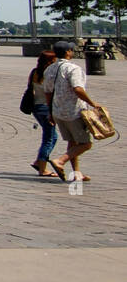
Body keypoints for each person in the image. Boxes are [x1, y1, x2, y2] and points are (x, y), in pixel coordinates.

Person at [44, 41, 100, 182]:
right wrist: (93, 103)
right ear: (68, 52)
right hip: (73, 112)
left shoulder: (50, 69)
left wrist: (50, 111)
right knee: (86, 143)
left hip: (58, 111)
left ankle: (77, 173)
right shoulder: (73, 69)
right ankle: (60, 161)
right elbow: (78, 89)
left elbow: (48, 93)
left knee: (73, 142)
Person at [27, 49, 59, 177]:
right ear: (50, 61)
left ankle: (38, 161)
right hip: (46, 108)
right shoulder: (49, 75)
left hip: (36, 107)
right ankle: (42, 168)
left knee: (53, 136)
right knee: (48, 138)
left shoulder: (35, 72)